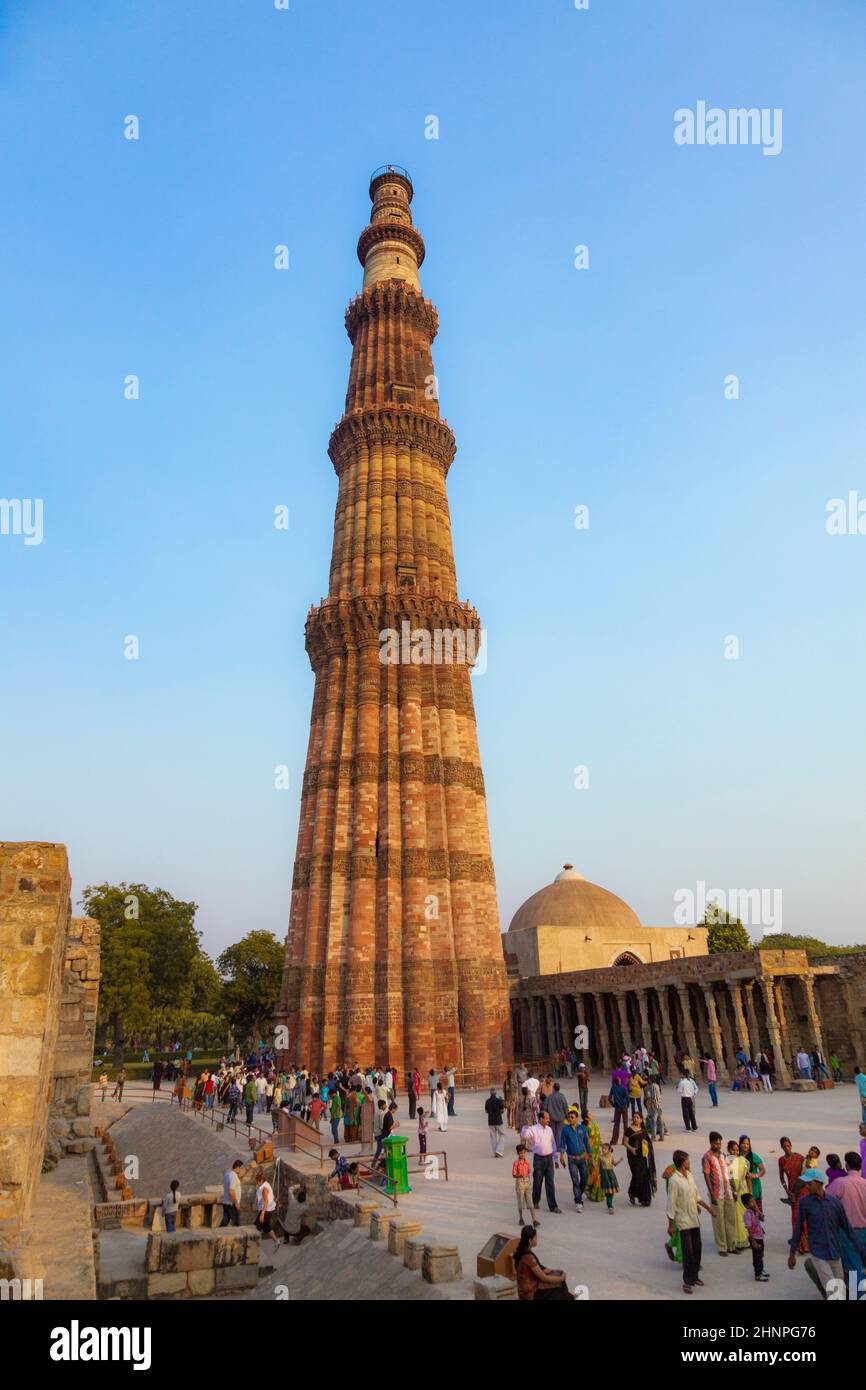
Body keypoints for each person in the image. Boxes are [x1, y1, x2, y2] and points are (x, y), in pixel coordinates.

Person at [788, 1169, 854, 1298]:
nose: (806, 1186)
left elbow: (847, 1227)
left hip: (835, 1253)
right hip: (818, 1253)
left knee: (840, 1288)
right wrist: (792, 1253)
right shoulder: (805, 1203)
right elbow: (798, 1228)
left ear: (818, 1183)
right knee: (832, 1288)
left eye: (809, 1183)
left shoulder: (834, 1203)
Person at [666, 1150, 715, 1295]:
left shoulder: (690, 1176)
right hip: (683, 1220)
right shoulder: (674, 1180)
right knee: (688, 1251)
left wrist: (709, 1209)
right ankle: (687, 1282)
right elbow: (671, 1203)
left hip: (694, 1218)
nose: (689, 1162)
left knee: (697, 1248)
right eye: (687, 1160)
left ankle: (695, 1277)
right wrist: (670, 1224)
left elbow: (697, 1196)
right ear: (682, 1163)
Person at [513, 1225, 573, 1301]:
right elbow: (544, 1277)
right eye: (535, 1238)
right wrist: (561, 1278)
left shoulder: (522, 1252)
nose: (536, 1239)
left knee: (557, 1275)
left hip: (525, 1289)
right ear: (530, 1240)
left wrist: (556, 1272)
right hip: (530, 1293)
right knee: (560, 1284)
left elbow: (541, 1269)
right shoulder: (528, 1258)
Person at [702, 1132, 738, 1255]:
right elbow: (706, 1176)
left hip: (728, 1192)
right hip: (716, 1193)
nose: (718, 1145)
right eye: (716, 1143)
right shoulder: (706, 1157)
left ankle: (731, 1245)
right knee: (718, 1221)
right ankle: (722, 1247)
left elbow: (730, 1173)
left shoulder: (724, 1156)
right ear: (711, 1143)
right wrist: (712, 1195)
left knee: (730, 1219)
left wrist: (735, 1190)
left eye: (719, 1143)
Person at [523, 1110, 562, 1214]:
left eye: (548, 1118)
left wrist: (556, 1158)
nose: (548, 1120)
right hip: (539, 1159)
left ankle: (553, 1206)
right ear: (540, 1119)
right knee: (537, 1182)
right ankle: (534, 1202)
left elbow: (553, 1144)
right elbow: (524, 1136)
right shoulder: (533, 1129)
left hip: (549, 1159)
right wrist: (527, 1126)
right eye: (546, 1118)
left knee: (550, 1183)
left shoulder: (549, 1129)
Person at [558, 1106, 590, 1210]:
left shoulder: (582, 1128)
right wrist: (562, 1156)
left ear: (577, 1118)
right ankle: (578, 1201)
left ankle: (578, 1194)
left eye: (572, 1117)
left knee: (585, 1177)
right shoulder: (565, 1130)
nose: (570, 1119)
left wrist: (590, 1154)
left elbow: (586, 1142)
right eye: (569, 1117)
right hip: (571, 1159)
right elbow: (562, 1143)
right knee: (575, 1180)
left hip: (582, 1158)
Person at [624, 1113, 657, 1207]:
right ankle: (632, 1192)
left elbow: (648, 1142)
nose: (635, 1119)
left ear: (641, 1120)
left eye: (637, 1117)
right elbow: (625, 1142)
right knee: (636, 1174)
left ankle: (645, 1199)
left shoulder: (643, 1131)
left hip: (642, 1155)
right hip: (632, 1155)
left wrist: (646, 1144)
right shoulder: (629, 1130)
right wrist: (631, 1149)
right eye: (634, 1117)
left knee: (644, 1175)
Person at [725, 1140, 751, 1250]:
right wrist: (734, 1192)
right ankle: (736, 1240)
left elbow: (747, 1177)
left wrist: (750, 1193)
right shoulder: (726, 1161)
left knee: (744, 1216)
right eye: (733, 1150)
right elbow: (728, 1178)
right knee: (735, 1217)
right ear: (728, 1150)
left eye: (737, 1150)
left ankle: (746, 1239)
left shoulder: (744, 1161)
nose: (735, 1152)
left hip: (743, 1191)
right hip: (732, 1192)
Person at [742, 1193, 770, 1281]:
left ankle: (761, 1270)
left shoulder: (755, 1211)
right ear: (746, 1205)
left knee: (761, 1254)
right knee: (757, 1256)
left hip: (760, 1236)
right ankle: (758, 1274)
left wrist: (758, 1210)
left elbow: (763, 1219)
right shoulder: (747, 1214)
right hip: (754, 1238)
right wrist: (753, 1241)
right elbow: (749, 1229)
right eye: (751, 1202)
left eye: (754, 1200)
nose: (754, 1203)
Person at [739, 1134, 766, 1215]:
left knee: (756, 1214)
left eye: (747, 1144)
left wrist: (754, 1175)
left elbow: (763, 1170)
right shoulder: (737, 1156)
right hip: (743, 1189)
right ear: (740, 1144)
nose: (745, 1146)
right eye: (743, 1143)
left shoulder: (754, 1156)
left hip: (754, 1189)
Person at [512, 1142, 538, 1226]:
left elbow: (529, 1171)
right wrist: (520, 1175)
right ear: (518, 1153)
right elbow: (514, 1174)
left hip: (527, 1181)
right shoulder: (516, 1163)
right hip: (520, 1182)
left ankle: (534, 1220)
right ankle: (521, 1218)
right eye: (521, 1153)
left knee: (530, 1202)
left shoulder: (527, 1163)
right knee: (521, 1202)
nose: (522, 1154)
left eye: (523, 1152)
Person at [582, 1110, 603, 1204]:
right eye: (589, 1114)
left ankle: (597, 1194)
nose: (591, 1115)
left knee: (598, 1173)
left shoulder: (594, 1124)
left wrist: (603, 1147)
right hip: (589, 1154)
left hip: (597, 1152)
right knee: (591, 1173)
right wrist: (587, 1154)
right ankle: (589, 1191)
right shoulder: (584, 1127)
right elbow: (583, 1141)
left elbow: (599, 1138)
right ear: (586, 1117)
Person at [255, 1169, 279, 1250]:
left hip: (266, 1210)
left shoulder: (264, 1188)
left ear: (260, 1181)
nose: (256, 1183)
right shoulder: (266, 1184)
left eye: (257, 1181)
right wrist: (276, 1201)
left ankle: (255, 1244)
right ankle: (276, 1241)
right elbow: (272, 1195)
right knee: (265, 1226)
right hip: (268, 1209)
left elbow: (266, 1201)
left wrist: (262, 1213)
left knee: (257, 1226)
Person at [599, 1142, 622, 1213]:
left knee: (611, 1191)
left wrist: (620, 1160)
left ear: (609, 1150)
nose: (603, 1150)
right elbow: (596, 1165)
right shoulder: (600, 1157)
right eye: (602, 1148)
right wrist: (591, 1161)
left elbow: (614, 1164)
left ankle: (609, 1204)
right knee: (608, 1191)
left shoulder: (611, 1156)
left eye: (605, 1149)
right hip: (604, 1175)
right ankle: (610, 1205)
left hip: (611, 1175)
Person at [221, 1159, 244, 1227]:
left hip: (226, 1202)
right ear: (237, 1167)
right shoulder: (233, 1176)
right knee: (236, 1224)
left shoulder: (227, 1174)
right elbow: (231, 1191)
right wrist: (236, 1203)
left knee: (224, 1223)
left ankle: (217, 1236)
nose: (242, 1170)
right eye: (241, 1168)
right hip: (231, 1204)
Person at [545, 1081, 569, 1146]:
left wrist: (546, 1117)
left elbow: (545, 1107)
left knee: (552, 1132)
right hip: (560, 1118)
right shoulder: (562, 1097)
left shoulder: (549, 1097)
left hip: (551, 1117)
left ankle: (552, 1146)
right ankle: (558, 1146)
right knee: (559, 1132)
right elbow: (565, 1107)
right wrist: (568, 1117)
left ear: (553, 1088)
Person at [608, 1078, 630, 1145]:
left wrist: (613, 1104)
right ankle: (625, 1141)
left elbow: (609, 1098)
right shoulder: (623, 1088)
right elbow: (627, 1097)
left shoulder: (613, 1088)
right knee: (625, 1124)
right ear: (620, 1082)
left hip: (617, 1108)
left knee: (616, 1124)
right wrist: (628, 1105)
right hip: (624, 1107)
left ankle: (614, 1141)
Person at [485, 1088, 505, 1157]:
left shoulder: (487, 1101)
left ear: (490, 1093)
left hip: (490, 1121)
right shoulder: (499, 1101)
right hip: (498, 1120)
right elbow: (502, 1111)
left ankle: (495, 1152)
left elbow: (486, 1111)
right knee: (502, 1134)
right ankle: (499, 1150)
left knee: (493, 1137)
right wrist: (502, 1102)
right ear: (496, 1093)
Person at [645, 1074, 664, 1140]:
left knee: (654, 1122)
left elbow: (653, 1097)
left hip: (655, 1106)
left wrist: (651, 1105)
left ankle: (653, 1137)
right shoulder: (657, 1085)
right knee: (660, 1122)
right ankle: (662, 1136)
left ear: (651, 1080)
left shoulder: (652, 1086)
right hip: (659, 1105)